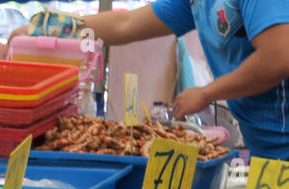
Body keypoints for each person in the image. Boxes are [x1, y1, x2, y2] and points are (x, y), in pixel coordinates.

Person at [16, 4, 289, 159]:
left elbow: (279, 56)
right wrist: (45, 27)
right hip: (267, 154)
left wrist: (206, 94)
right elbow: (127, 23)